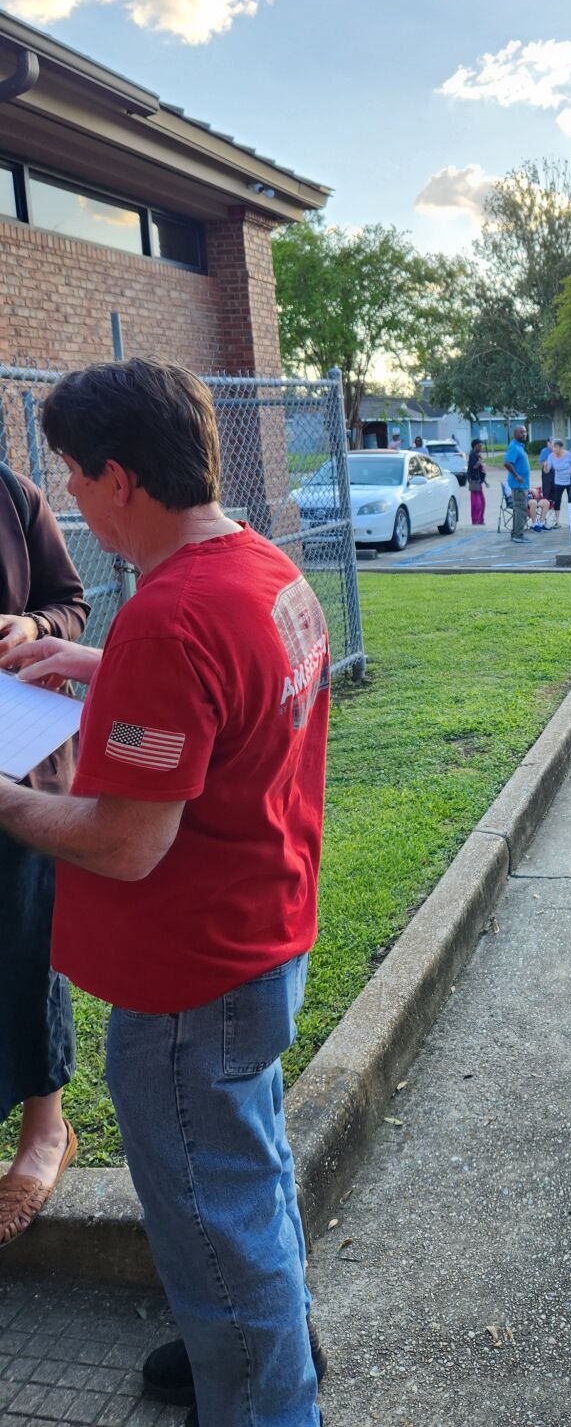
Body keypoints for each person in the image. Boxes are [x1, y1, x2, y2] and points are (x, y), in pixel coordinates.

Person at [0, 359, 330, 1422]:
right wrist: (99, 668)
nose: (71, 499)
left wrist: (3, 798)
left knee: (211, 1215)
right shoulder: (261, 569)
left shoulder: (170, 619)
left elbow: (128, 841)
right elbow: (216, 707)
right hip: (260, 935)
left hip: (191, 982)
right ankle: (238, 1345)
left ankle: (265, 1397)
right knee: (247, 1177)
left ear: (120, 479)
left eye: (72, 476)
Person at [0, 465, 90, 1249]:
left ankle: (45, 1130)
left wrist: (33, 629)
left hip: (18, 765)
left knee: (30, 943)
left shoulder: (14, 494)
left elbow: (71, 603)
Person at [504, 423, 531, 544]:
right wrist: (517, 476)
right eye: (521, 432)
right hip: (518, 485)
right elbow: (507, 463)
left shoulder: (520, 446)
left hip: (522, 485)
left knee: (518, 509)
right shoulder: (514, 447)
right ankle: (518, 535)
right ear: (515, 434)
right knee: (521, 509)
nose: (524, 434)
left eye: (525, 432)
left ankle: (515, 533)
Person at [546, 439, 571, 525]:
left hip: (570, 481)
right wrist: (545, 467)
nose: (553, 449)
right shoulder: (551, 456)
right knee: (557, 500)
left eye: (555, 447)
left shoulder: (568, 455)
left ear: (560, 448)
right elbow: (547, 470)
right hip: (558, 481)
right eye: (553, 447)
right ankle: (557, 521)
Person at [466, 438, 487, 526]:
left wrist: (485, 481)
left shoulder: (476, 455)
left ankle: (480, 519)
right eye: (480, 445)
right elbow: (474, 467)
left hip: (479, 481)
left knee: (482, 502)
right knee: (477, 502)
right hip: (474, 482)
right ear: (475, 446)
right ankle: (476, 520)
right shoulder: (472, 455)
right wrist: (480, 461)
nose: (481, 447)